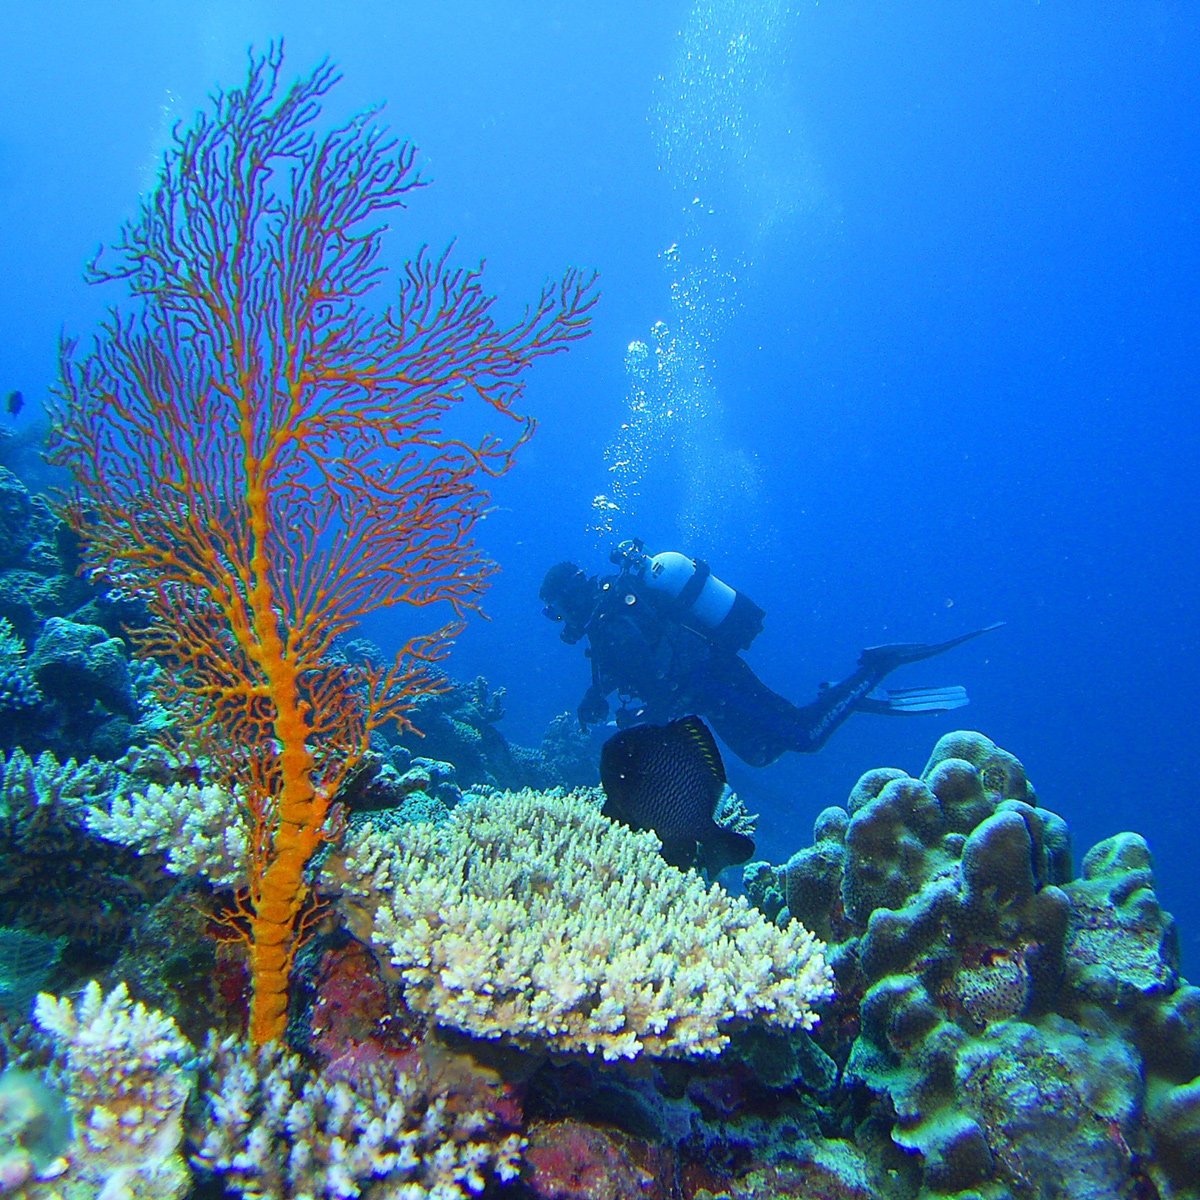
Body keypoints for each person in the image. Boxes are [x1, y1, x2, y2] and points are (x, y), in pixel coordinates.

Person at [540, 540, 1002, 768]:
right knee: (761, 754)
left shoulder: (611, 625)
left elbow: (655, 689)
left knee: (803, 736)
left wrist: (628, 719)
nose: (561, 622)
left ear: (569, 600)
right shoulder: (609, 620)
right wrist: (593, 695)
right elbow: (632, 665)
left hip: (712, 679)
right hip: (706, 689)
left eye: (557, 612)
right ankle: (841, 698)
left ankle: (875, 667)